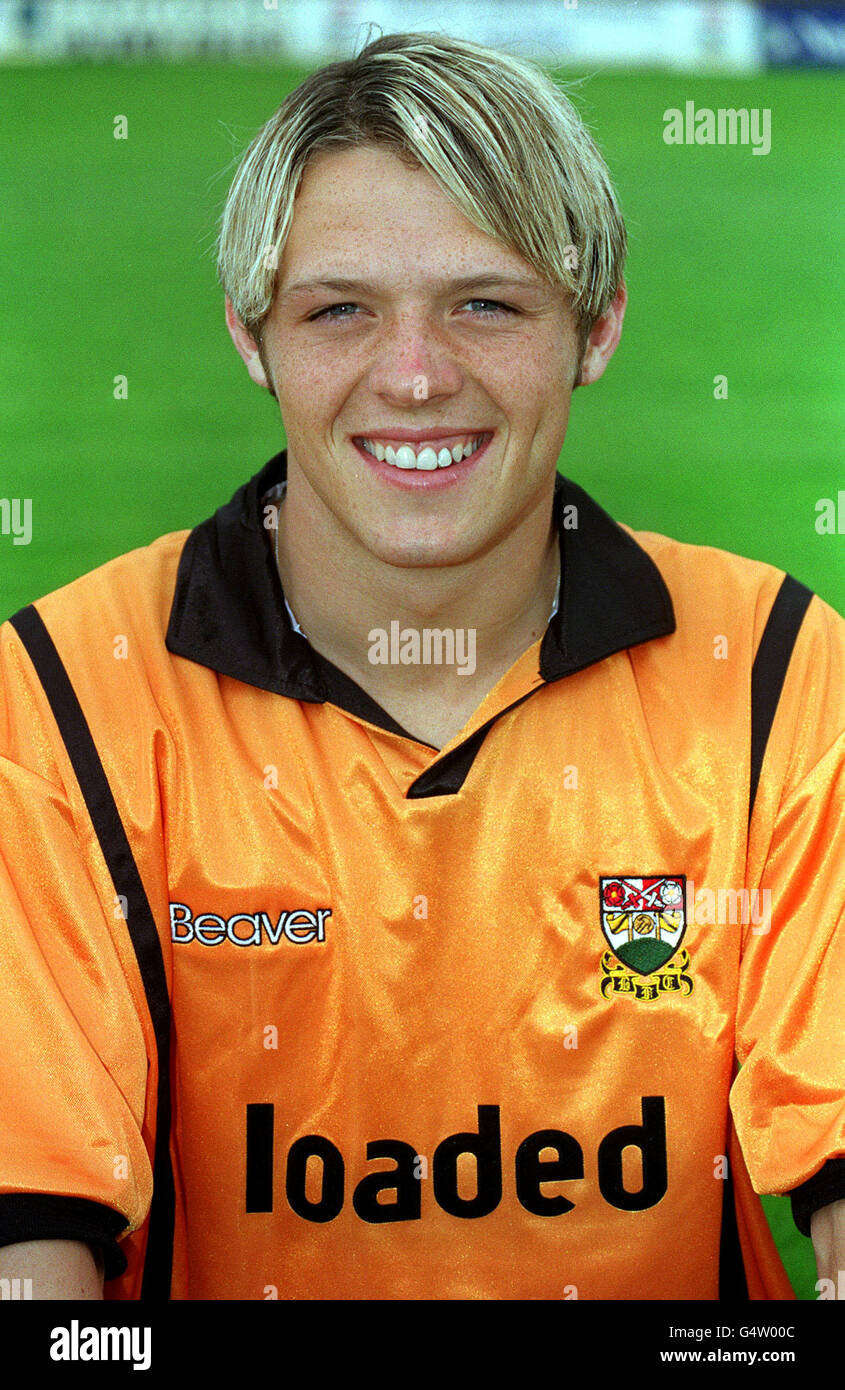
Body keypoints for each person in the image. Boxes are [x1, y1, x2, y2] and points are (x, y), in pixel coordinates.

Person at [0, 30, 842, 1302]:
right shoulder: (61, 697)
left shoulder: (778, 674)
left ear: (595, 325)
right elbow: (31, 1253)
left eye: (485, 305)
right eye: (338, 310)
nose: (413, 377)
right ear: (250, 336)